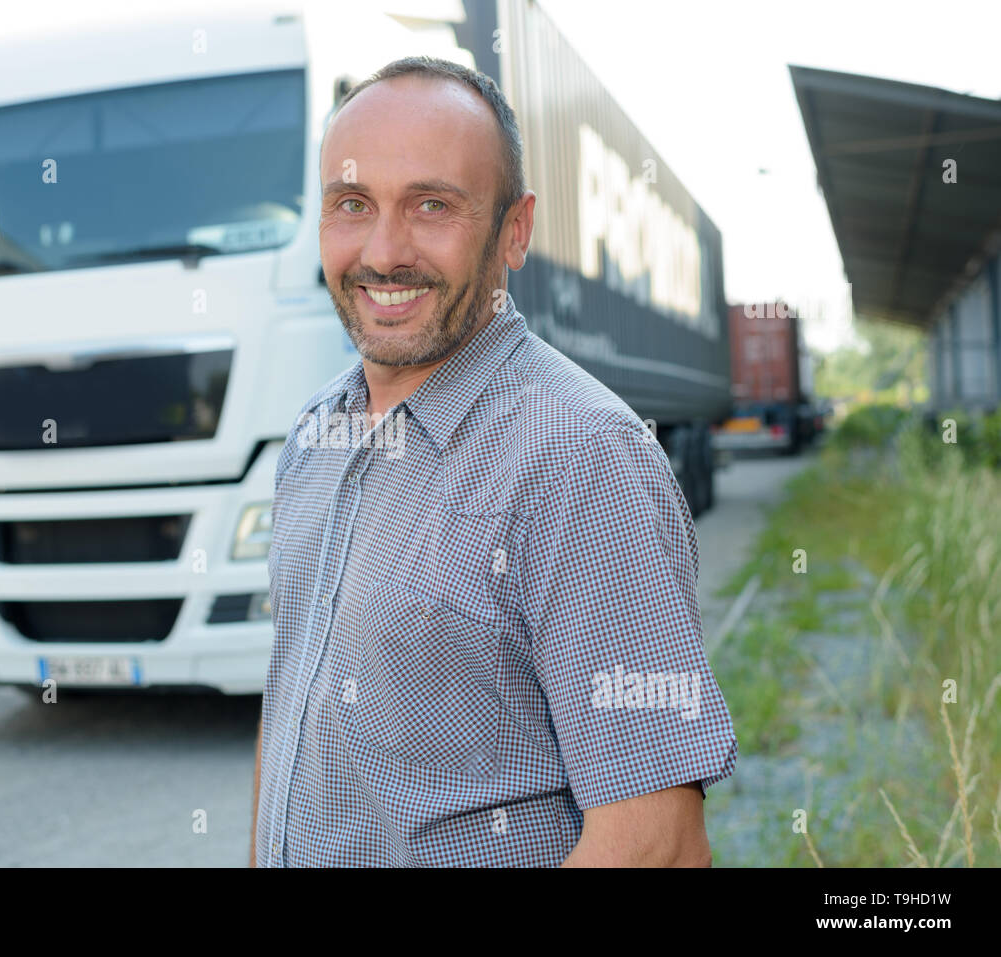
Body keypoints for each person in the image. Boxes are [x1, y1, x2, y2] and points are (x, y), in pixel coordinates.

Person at [250, 56, 736, 867]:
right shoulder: (312, 438)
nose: (383, 251)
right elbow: (288, 714)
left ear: (515, 230)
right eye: (351, 205)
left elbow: (657, 841)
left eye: (432, 205)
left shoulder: (580, 458)